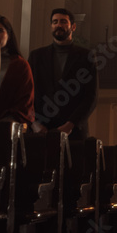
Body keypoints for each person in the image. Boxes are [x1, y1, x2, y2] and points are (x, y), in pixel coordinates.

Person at [27, 8, 98, 139]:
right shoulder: (36, 56)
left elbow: (91, 97)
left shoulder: (86, 57)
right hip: (41, 129)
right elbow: (27, 94)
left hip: (73, 131)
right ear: (51, 26)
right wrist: (34, 123)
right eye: (55, 22)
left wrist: (70, 125)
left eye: (63, 22)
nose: (58, 25)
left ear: (73, 26)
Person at [0, 14, 35, 124]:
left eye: (0, 31)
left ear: (9, 35)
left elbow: (25, 104)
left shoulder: (20, 65)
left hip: (3, 127)